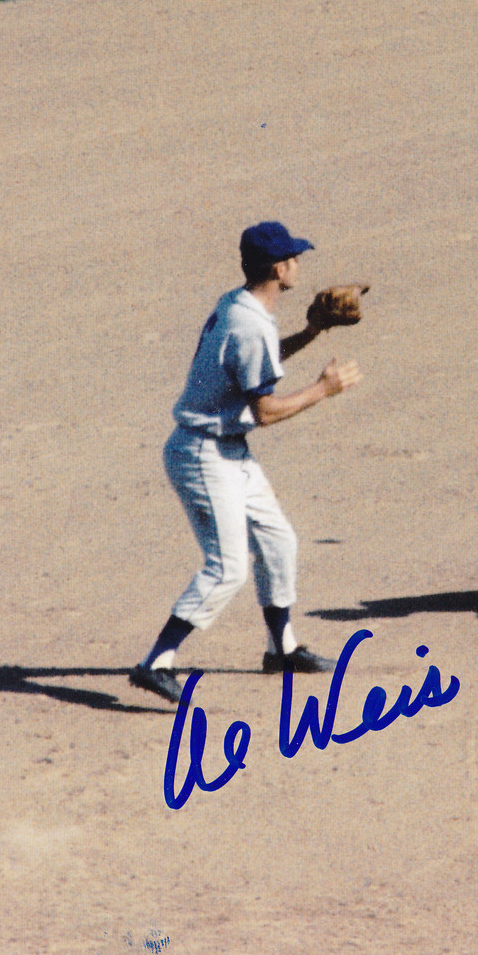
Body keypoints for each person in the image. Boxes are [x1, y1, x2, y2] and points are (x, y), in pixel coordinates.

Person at [129, 222, 362, 704]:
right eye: (293, 258)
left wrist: (311, 332)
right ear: (278, 268)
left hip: (227, 450)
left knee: (278, 542)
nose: (298, 265)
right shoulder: (251, 324)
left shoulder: (239, 304)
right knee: (228, 568)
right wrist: (324, 388)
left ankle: (283, 649)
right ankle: (156, 662)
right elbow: (267, 411)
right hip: (203, 455)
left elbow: (256, 364)